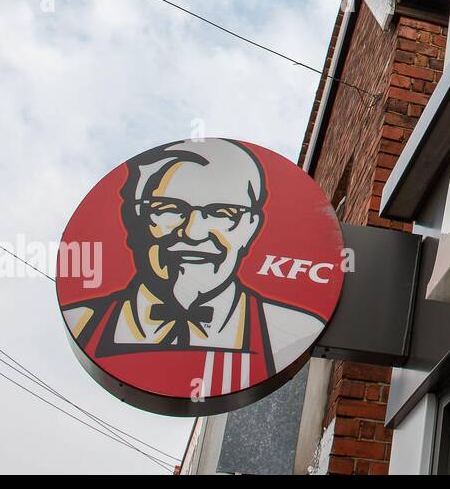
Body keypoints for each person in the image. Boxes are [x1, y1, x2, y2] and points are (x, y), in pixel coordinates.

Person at [62, 139, 325, 398]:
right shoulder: (85, 321)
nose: (193, 232)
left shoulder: (293, 328)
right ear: (136, 219)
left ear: (251, 227)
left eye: (223, 213)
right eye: (168, 209)